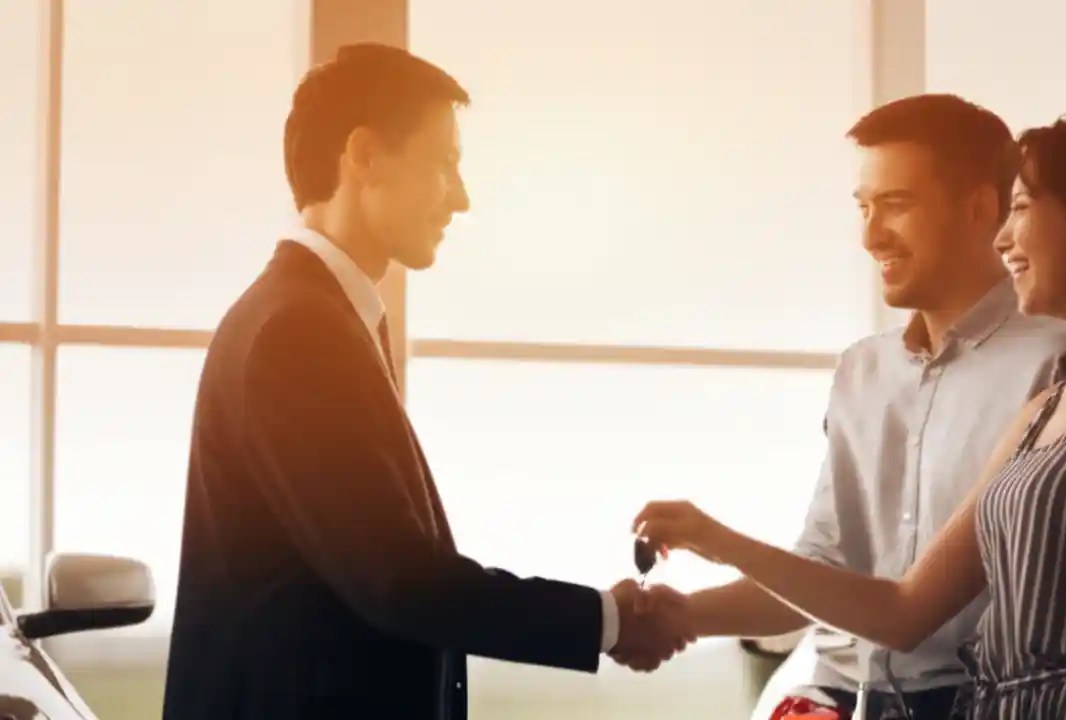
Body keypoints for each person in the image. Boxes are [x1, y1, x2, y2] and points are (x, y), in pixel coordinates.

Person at [633, 115, 1066, 719]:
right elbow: (904, 610)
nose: (1004, 238)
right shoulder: (1048, 404)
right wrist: (715, 548)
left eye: (1023, 209)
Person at [163, 43, 691, 720]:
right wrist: (608, 620)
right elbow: (398, 579)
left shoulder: (310, 316)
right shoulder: (298, 331)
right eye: (445, 163)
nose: (462, 198)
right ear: (365, 156)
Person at [614, 95, 1066, 720]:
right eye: (863, 206)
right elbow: (824, 573)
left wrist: (719, 540)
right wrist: (687, 615)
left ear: (980, 208)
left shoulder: (1062, 362)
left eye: (896, 204)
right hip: (850, 702)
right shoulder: (863, 369)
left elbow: (912, 614)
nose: (869, 235)